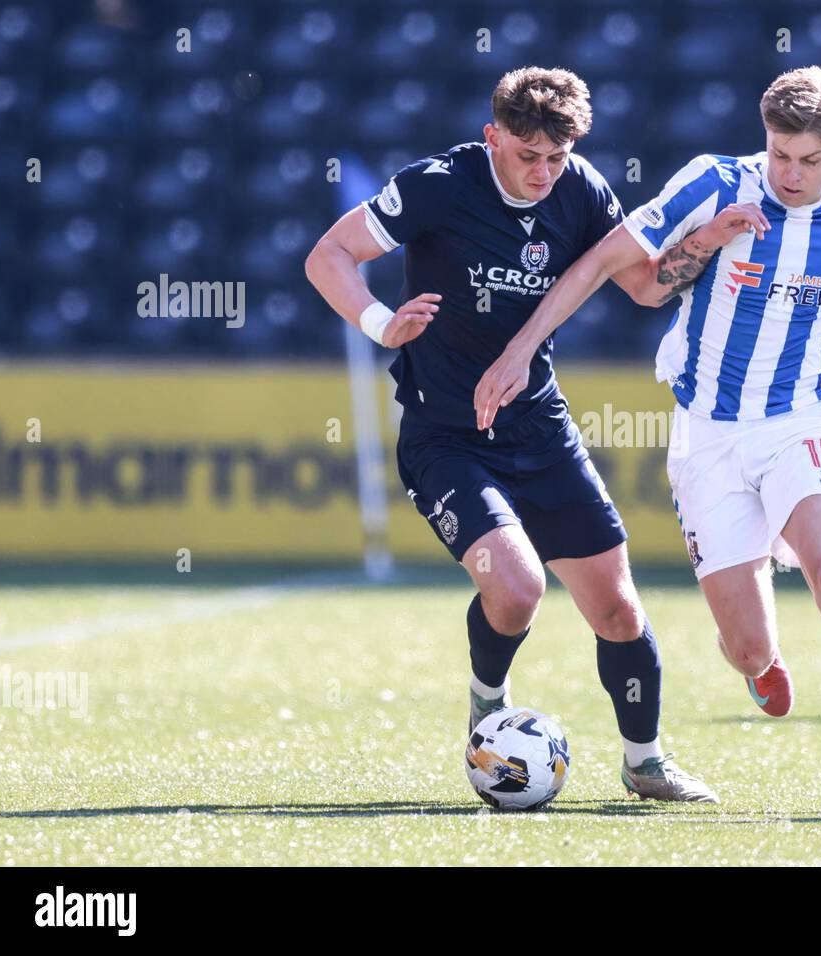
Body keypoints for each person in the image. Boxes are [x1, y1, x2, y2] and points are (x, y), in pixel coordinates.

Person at [475, 67, 821, 812]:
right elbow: (607, 262)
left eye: (809, 160)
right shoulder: (715, 181)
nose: (790, 175)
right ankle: (760, 664)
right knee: (749, 647)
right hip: (706, 438)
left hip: (800, 422)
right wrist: (520, 349)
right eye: (779, 154)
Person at [305, 66, 717, 802]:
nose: (543, 173)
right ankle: (488, 703)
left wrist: (708, 241)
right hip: (445, 435)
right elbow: (327, 255)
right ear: (492, 136)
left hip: (538, 426)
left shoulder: (581, 187)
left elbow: (647, 286)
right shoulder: (438, 183)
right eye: (528, 155)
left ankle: (644, 761)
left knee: (618, 607)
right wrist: (379, 323)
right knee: (519, 588)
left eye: (556, 158)